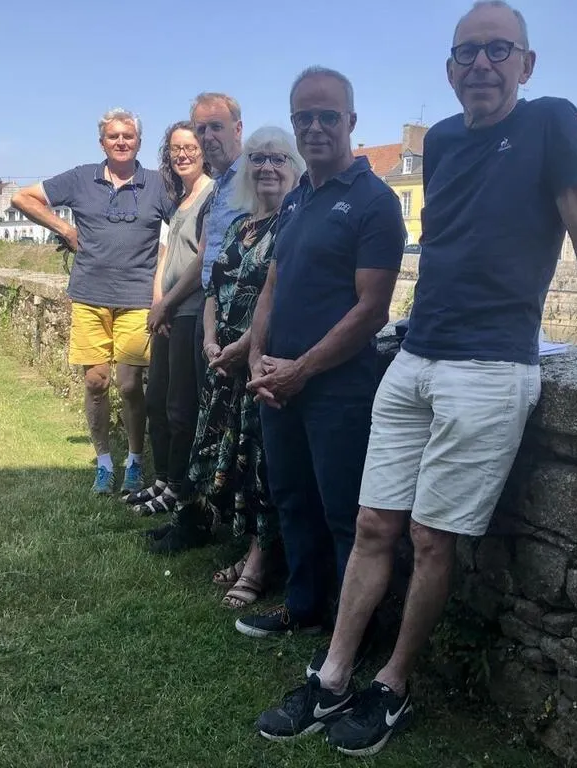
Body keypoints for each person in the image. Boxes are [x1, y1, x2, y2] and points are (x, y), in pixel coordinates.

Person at [255, 2, 577, 757]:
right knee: (373, 524)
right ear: (449, 69)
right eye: (465, 54)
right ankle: (331, 675)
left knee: (432, 539)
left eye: (499, 51)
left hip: (492, 367)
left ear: (526, 64)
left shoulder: (553, 122)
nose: (481, 65)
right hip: (416, 357)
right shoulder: (439, 141)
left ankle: (393, 684)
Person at [239, 67, 405, 638]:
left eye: (327, 116)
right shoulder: (296, 198)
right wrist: (258, 356)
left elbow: (372, 309)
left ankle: (350, 631)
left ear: (351, 122)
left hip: (337, 386)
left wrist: (302, 370)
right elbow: (274, 285)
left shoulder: (375, 202)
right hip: (277, 382)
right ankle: (304, 605)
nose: (314, 127)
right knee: (292, 498)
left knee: (343, 513)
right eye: (303, 118)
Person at [12, 109, 173, 497]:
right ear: (102, 142)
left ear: (139, 142)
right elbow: (22, 197)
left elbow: (183, 224)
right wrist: (65, 228)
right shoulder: (82, 177)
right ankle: (104, 463)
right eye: (114, 136)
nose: (121, 142)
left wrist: (163, 286)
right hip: (89, 296)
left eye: (129, 136)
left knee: (131, 383)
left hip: (136, 298)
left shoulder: (157, 184)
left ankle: (135, 460)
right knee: (96, 381)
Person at [186, 127, 304, 608]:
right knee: (233, 463)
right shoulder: (238, 227)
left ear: (294, 167)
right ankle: (251, 549)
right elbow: (213, 288)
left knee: (261, 465)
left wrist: (242, 349)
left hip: (260, 364)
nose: (267, 167)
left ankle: (260, 561)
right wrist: (213, 341)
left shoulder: (293, 224)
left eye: (278, 158)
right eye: (258, 158)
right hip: (226, 363)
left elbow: (283, 301)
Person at [146, 92, 247, 553]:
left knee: (216, 425)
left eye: (216, 127)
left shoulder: (255, 173)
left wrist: (166, 304)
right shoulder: (222, 185)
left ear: (237, 128)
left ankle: (211, 521)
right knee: (196, 418)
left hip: (238, 318)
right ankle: (192, 513)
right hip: (209, 311)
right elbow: (207, 255)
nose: (207, 137)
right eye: (200, 129)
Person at [125, 121, 213, 516]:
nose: (183, 154)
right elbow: (165, 258)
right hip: (167, 315)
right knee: (156, 399)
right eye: (176, 148)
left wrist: (170, 304)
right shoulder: (179, 200)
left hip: (191, 313)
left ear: (203, 150)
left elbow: (202, 261)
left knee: (181, 406)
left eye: (190, 146)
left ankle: (178, 487)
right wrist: (157, 303)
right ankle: (161, 478)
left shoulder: (212, 195)